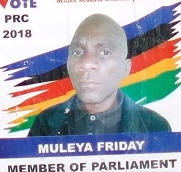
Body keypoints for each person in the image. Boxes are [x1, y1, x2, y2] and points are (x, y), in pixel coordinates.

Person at [28, 14, 171, 136]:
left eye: (105, 52)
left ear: (126, 68)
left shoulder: (154, 127)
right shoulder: (45, 123)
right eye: (77, 52)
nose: (86, 64)